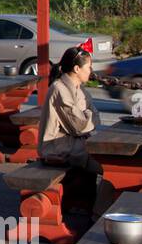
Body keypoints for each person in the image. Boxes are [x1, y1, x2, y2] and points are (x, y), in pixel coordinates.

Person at [37, 46, 103, 183]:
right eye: (89, 67)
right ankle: (102, 204)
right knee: (111, 167)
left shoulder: (80, 88)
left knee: (112, 162)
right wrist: (89, 115)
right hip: (60, 148)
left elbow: (96, 119)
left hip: (76, 144)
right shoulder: (59, 88)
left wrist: (87, 116)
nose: (91, 70)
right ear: (77, 69)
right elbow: (80, 126)